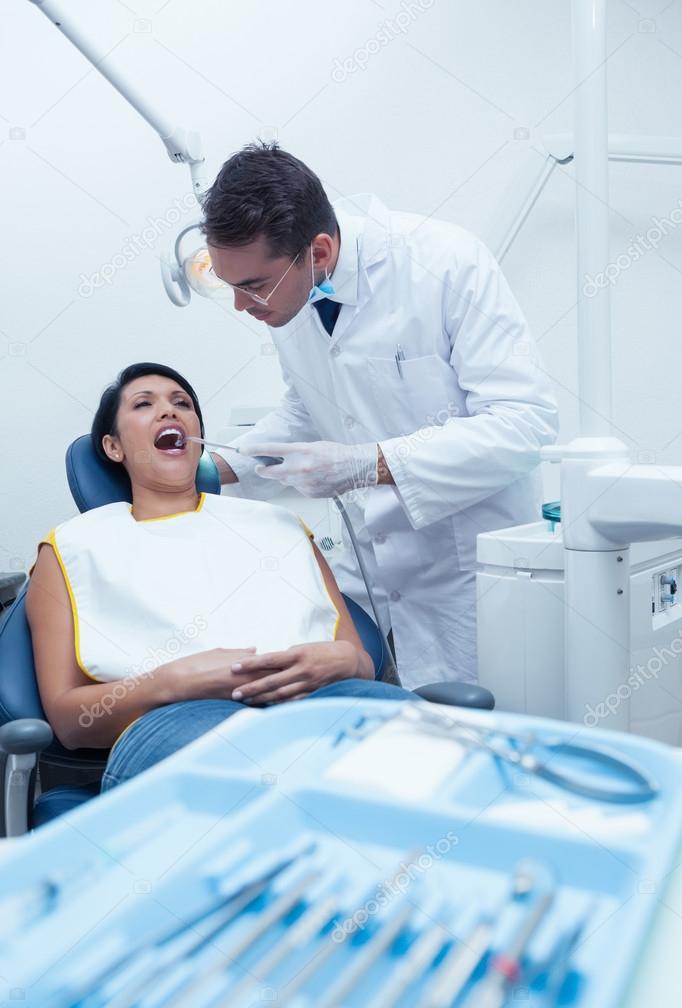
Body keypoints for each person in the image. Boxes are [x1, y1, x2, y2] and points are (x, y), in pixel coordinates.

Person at [200, 142, 559, 690]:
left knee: (476, 742)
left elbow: (523, 424)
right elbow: (308, 409)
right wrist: (218, 465)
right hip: (366, 576)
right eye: (229, 285)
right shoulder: (294, 296)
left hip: (466, 579)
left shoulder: (445, 264)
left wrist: (371, 465)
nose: (241, 307)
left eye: (251, 286)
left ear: (317, 251)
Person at [26, 363, 415, 791]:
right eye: (143, 404)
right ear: (113, 447)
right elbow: (69, 721)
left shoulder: (278, 526)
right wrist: (171, 682)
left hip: (321, 704)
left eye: (182, 404)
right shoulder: (72, 547)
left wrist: (348, 661)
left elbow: (356, 659)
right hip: (176, 719)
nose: (169, 413)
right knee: (278, 782)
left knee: (433, 752)